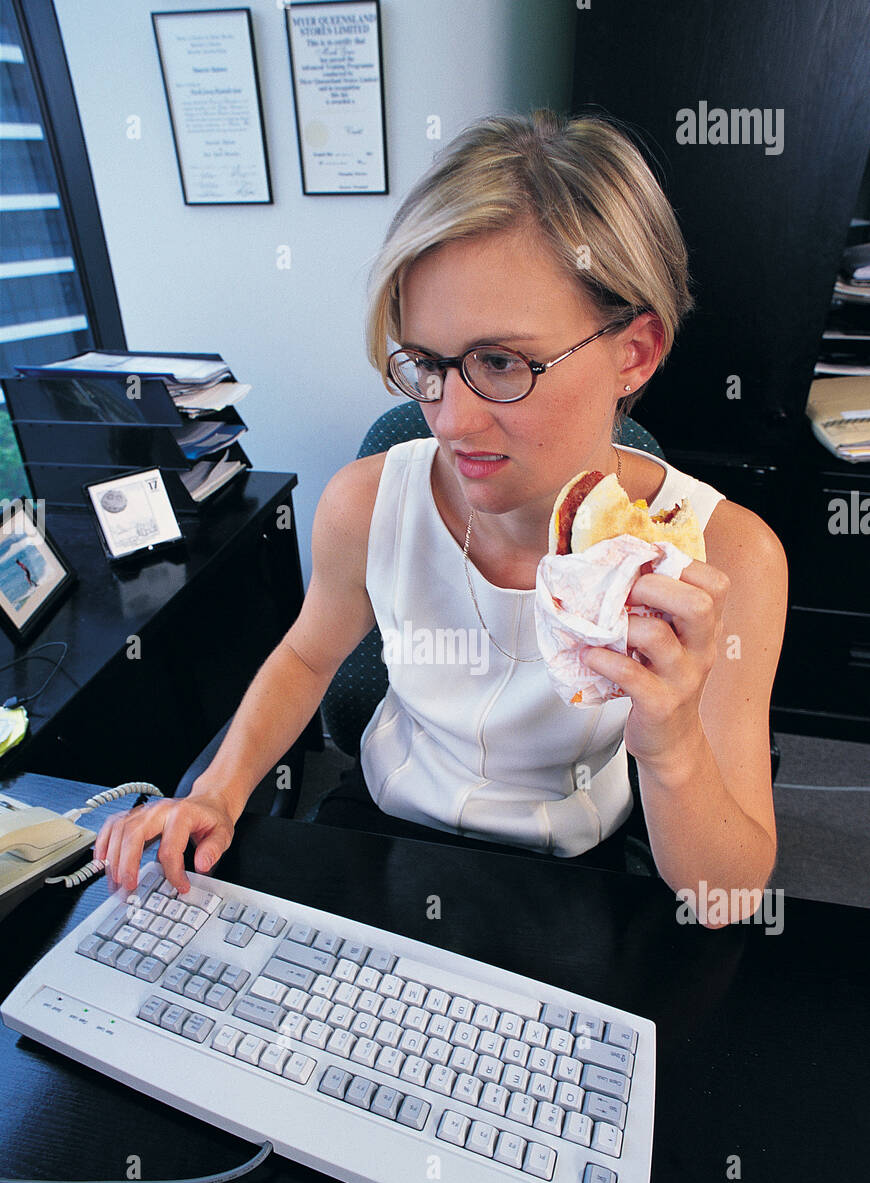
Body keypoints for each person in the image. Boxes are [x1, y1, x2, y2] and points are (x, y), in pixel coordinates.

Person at [95, 110, 788, 926]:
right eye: (427, 365)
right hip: (382, 836)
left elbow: (727, 899)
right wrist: (215, 792)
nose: (450, 422)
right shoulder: (364, 503)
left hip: (574, 872)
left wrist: (670, 747)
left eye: (501, 363)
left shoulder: (723, 555)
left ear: (633, 353)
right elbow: (307, 657)